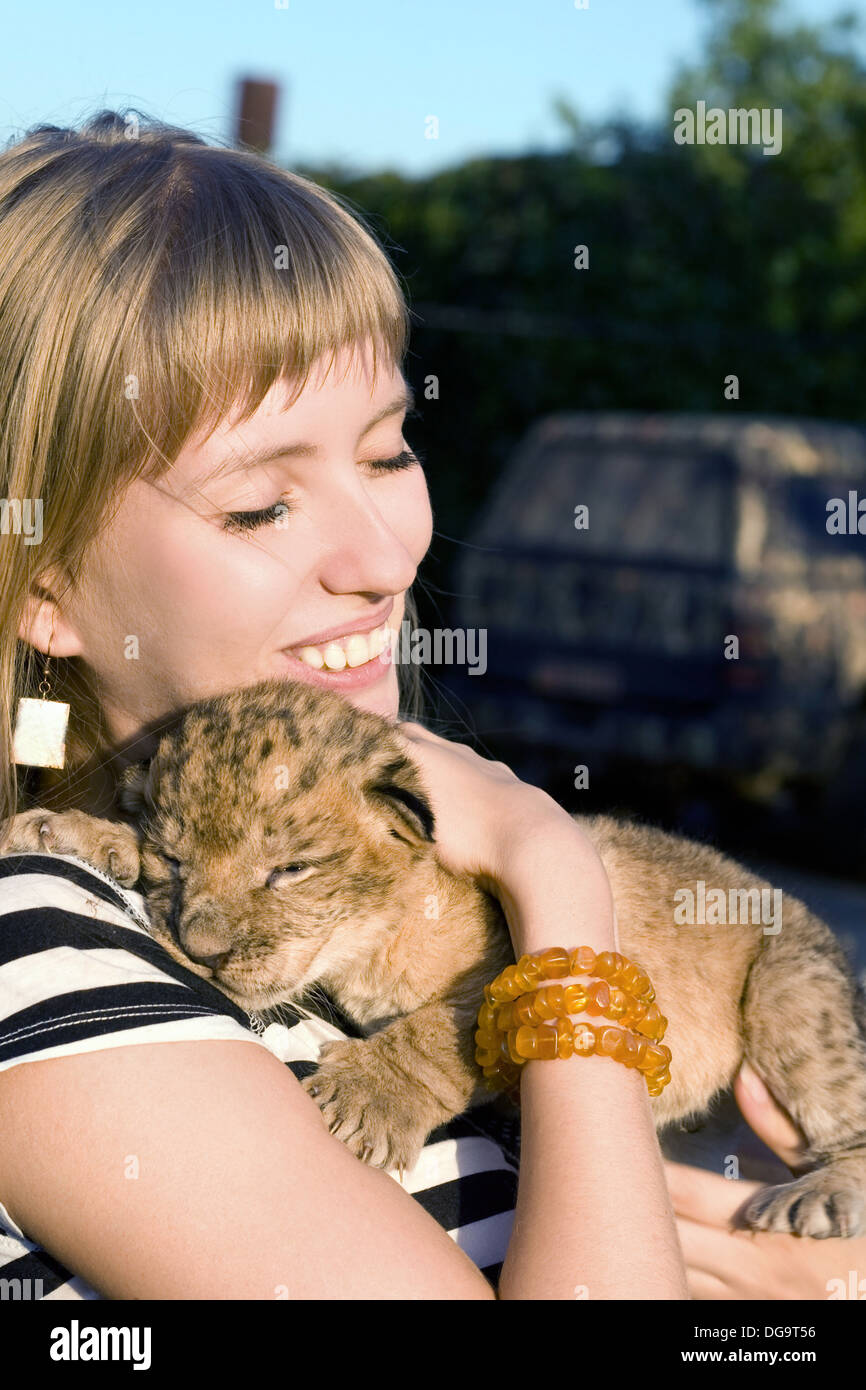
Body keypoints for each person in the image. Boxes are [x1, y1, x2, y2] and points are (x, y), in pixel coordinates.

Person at [0, 108, 827, 1303]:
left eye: (389, 454)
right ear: (48, 593)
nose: (384, 554)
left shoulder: (369, 894)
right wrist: (557, 884)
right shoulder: (38, 940)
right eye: (258, 507)